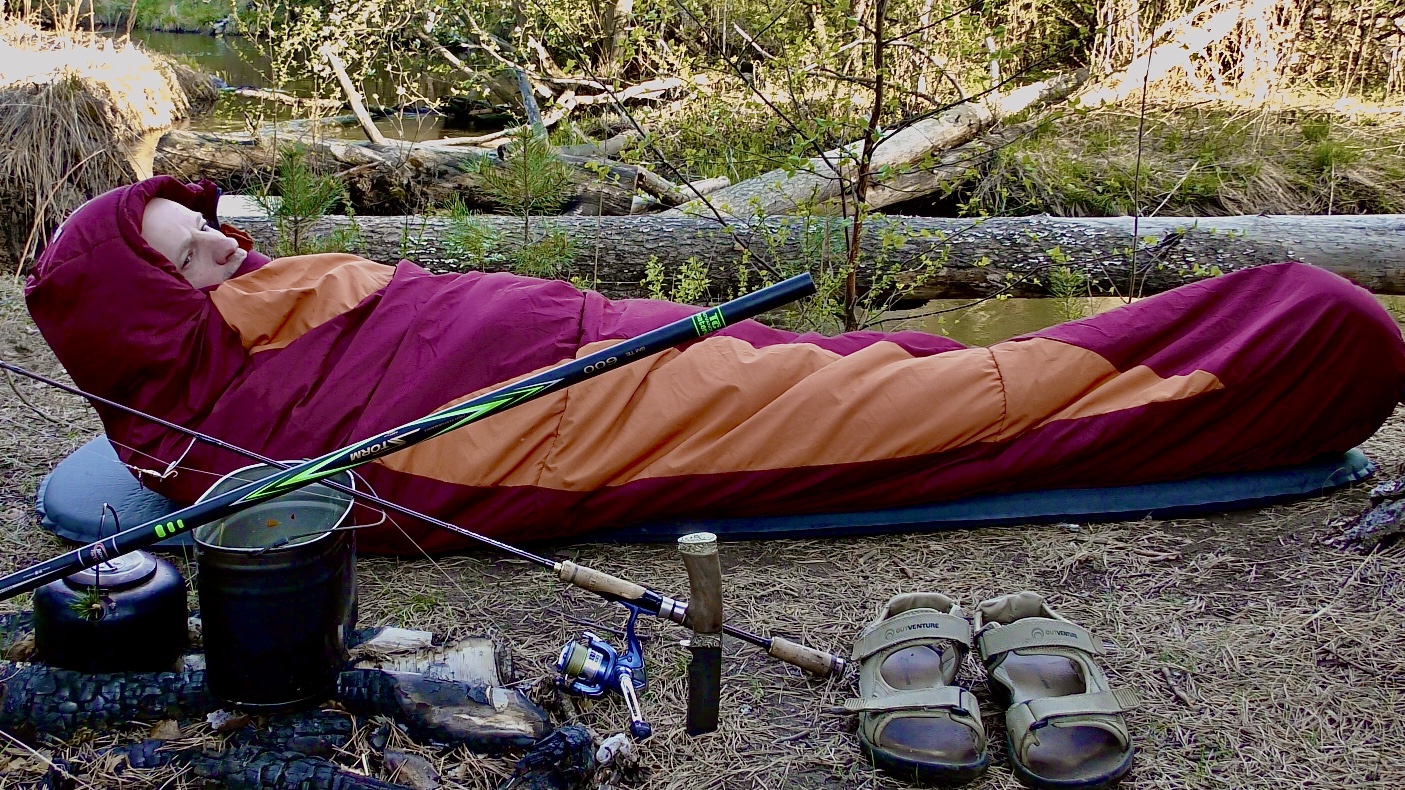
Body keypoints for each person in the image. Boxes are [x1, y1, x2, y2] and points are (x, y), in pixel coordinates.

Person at [24, 176, 1405, 553]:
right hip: (592, 416)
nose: (227, 245)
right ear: (146, 320)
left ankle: (1246, 328)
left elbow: (404, 313)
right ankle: (1290, 346)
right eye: (191, 252)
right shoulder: (228, 426)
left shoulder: (250, 300)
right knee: (934, 406)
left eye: (207, 225)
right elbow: (383, 442)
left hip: (611, 342)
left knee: (887, 358)